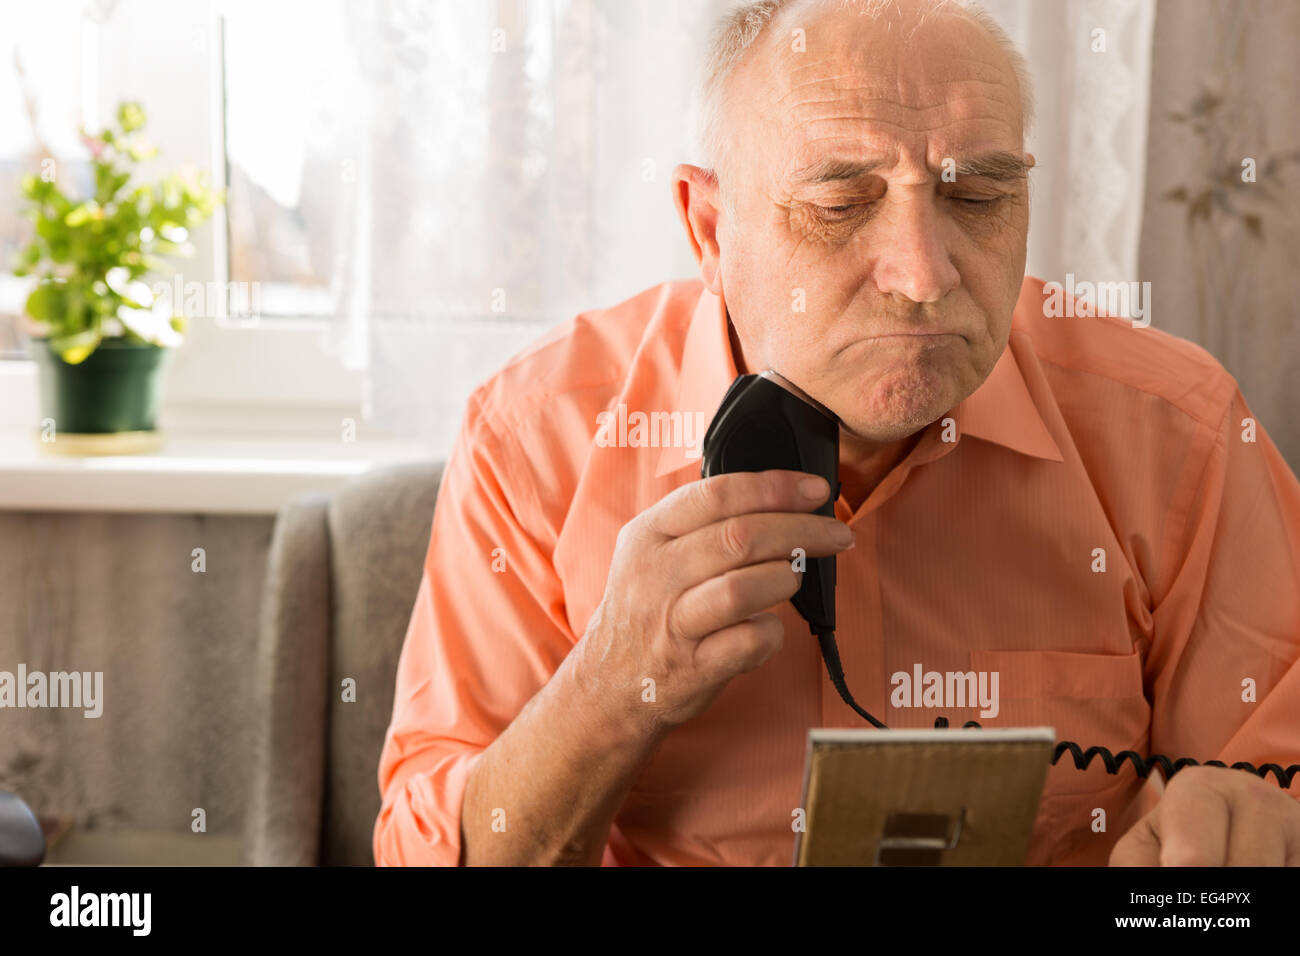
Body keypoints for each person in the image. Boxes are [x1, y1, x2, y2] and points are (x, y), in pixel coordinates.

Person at [374, 0, 1300, 866]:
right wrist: (610, 689)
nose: (924, 274)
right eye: (839, 205)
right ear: (709, 227)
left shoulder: (1182, 435)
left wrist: (1231, 854)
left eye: (976, 196)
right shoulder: (533, 439)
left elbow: (1257, 803)